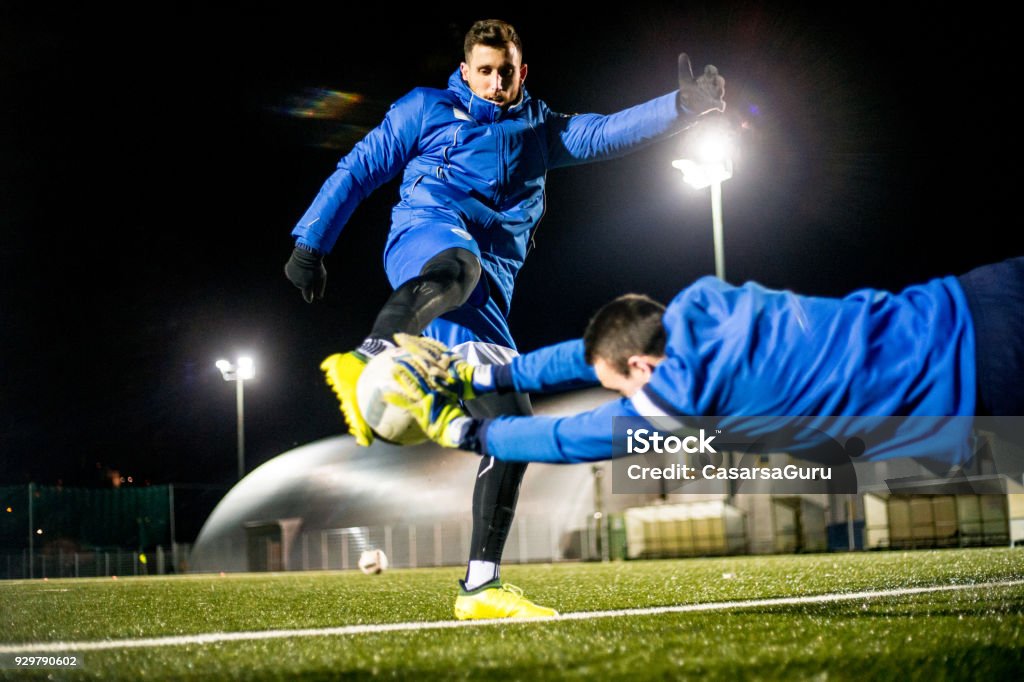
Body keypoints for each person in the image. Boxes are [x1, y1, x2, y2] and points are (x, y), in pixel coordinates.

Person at [283, 18, 726, 619]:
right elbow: (360, 169)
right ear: (466, 71)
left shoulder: (539, 129)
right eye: (484, 72)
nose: (495, 83)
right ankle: (367, 360)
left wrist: (683, 107)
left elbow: (606, 132)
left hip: (484, 296)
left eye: (505, 72)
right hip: (426, 242)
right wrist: (311, 243)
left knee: (513, 429)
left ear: (522, 73)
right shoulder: (425, 109)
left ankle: (480, 587)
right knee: (458, 263)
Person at [385, 257, 1024, 467]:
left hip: (981, 383)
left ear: (643, 370)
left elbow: (572, 435)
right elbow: (590, 357)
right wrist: (483, 374)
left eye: (623, 387)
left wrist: (468, 431)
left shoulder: (685, 395)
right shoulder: (703, 302)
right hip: (981, 292)